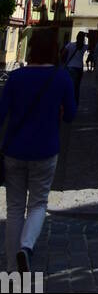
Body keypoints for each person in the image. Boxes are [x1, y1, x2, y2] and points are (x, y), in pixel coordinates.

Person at [0, 26, 77, 273]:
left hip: (14, 151)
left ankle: (12, 267)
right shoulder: (61, 77)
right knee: (37, 204)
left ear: (32, 49)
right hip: (45, 150)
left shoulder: (16, 78)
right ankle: (26, 246)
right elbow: (71, 116)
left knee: (13, 208)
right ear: (55, 50)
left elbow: (0, 115)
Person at [60, 32, 86, 102]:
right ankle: (75, 101)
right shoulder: (84, 46)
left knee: (71, 85)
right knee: (77, 86)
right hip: (80, 68)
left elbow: (62, 54)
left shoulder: (70, 45)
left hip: (70, 67)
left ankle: (69, 100)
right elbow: (93, 44)